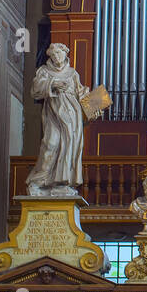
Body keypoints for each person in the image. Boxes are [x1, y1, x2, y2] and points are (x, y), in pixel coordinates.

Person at [27, 43, 91, 196]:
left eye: (59, 53)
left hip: (72, 115)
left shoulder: (72, 73)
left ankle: (61, 183)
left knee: (68, 146)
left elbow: (81, 93)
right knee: (50, 144)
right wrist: (52, 84)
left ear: (65, 53)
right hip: (54, 113)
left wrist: (94, 103)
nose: (57, 57)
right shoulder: (44, 71)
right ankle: (37, 182)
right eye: (53, 55)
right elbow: (35, 90)